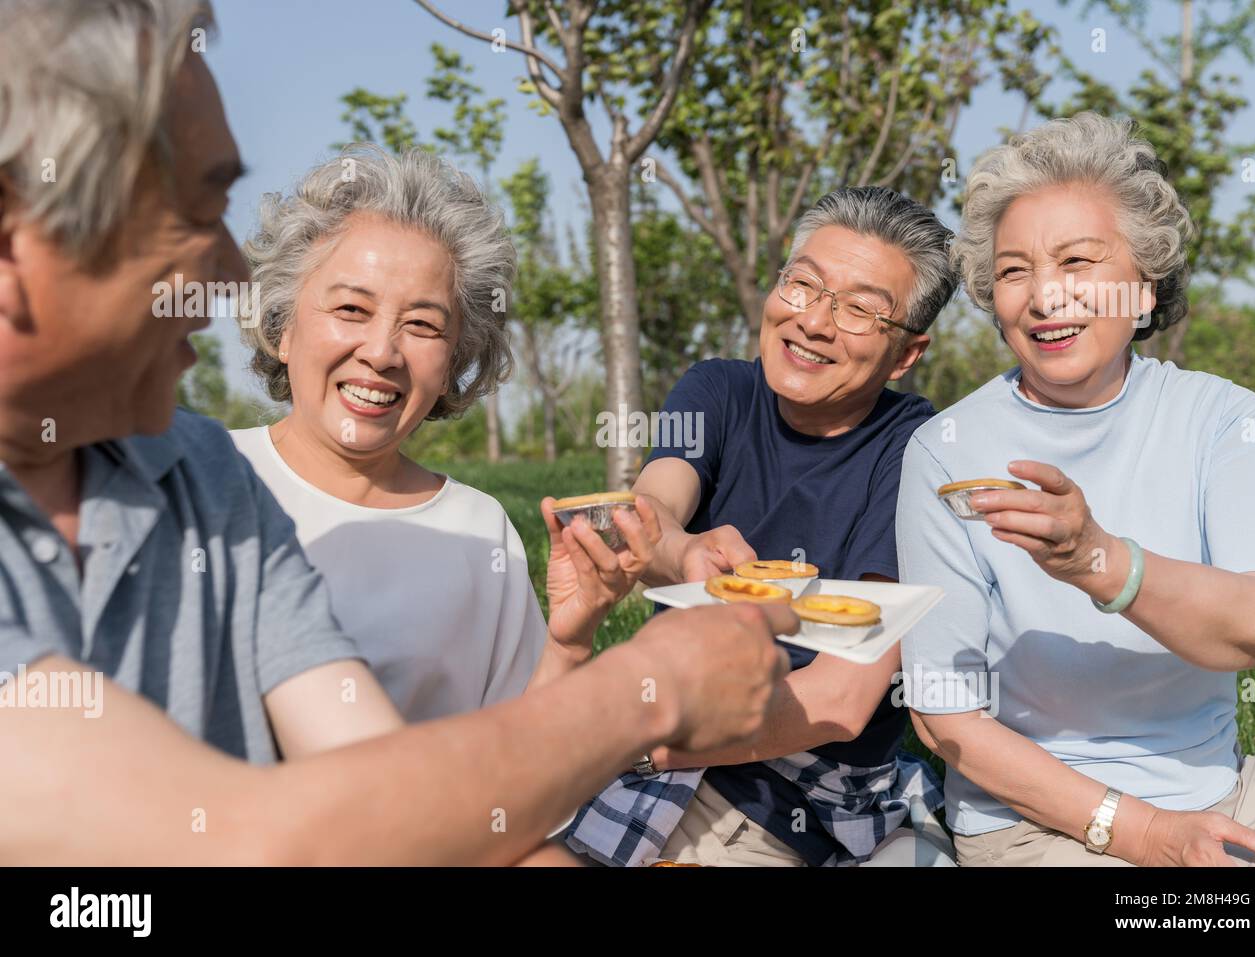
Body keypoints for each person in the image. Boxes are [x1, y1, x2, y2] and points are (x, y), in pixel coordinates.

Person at [0, 0, 791, 865]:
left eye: (423, 324)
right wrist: (651, 688)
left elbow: (383, 793)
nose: (227, 270)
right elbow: (236, 836)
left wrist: (584, 663)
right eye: (192, 211)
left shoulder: (211, 484)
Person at [897, 111, 1255, 867]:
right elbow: (945, 718)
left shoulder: (1225, 420)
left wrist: (1096, 560)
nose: (1046, 297)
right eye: (1014, 271)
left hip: (1225, 788)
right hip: (1034, 821)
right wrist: (1144, 831)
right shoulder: (945, 450)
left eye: (1076, 261)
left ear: (1144, 289)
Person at [566, 187, 958, 867]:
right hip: (672, 738)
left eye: (860, 309)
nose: (814, 322)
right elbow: (652, 509)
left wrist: (638, 738)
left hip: (792, 784)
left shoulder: (912, 450)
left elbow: (840, 698)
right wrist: (686, 548)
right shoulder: (718, 390)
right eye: (804, 284)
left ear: (904, 355)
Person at [231, 145, 660, 717]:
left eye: (422, 325)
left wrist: (568, 644)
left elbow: (516, 763)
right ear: (282, 329)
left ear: (456, 359)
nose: (382, 353)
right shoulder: (205, 483)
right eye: (352, 311)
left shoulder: (479, 532)